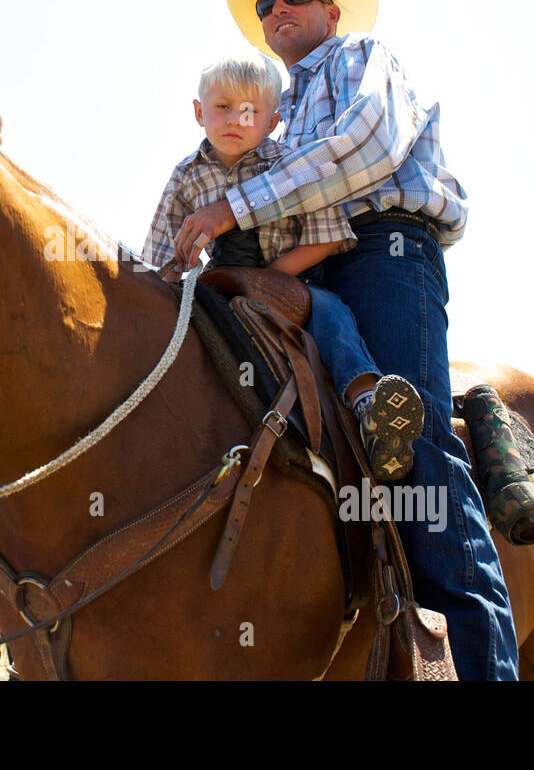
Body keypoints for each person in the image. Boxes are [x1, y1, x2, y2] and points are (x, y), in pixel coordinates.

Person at [172, 0, 534, 679]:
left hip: (384, 251)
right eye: (266, 4)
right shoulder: (274, 117)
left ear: (330, 11)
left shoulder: (355, 57)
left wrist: (229, 207)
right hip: (312, 263)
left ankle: (481, 665)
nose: (280, 10)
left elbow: (368, 145)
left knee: (419, 455)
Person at [142, 52, 425, 476]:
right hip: (215, 286)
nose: (236, 119)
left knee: (332, 316)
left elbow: (327, 238)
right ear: (199, 113)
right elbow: (160, 257)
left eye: (251, 111)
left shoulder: (290, 166)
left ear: (273, 121)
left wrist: (272, 279)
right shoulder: (187, 176)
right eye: (222, 108)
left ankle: (369, 406)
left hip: (293, 283)